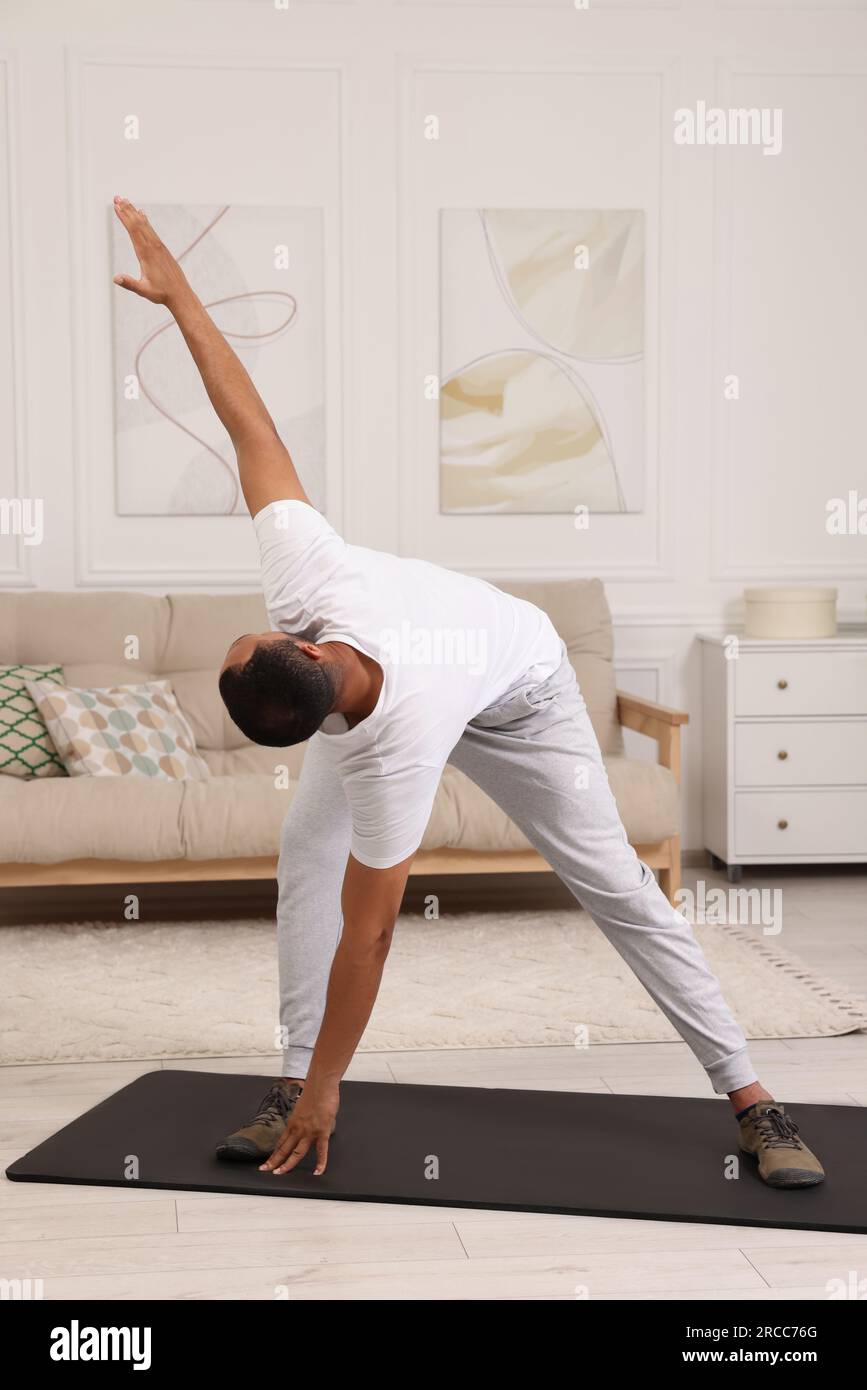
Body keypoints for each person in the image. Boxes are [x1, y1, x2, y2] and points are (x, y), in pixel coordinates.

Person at [112, 197, 825, 1191]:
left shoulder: (333, 626)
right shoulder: (344, 693)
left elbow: (248, 426)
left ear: (300, 640)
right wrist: (181, 294)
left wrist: (181, 297)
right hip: (396, 699)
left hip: (521, 688)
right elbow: (249, 423)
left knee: (618, 884)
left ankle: (753, 1096)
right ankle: (290, 1078)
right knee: (308, 853)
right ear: (292, 653)